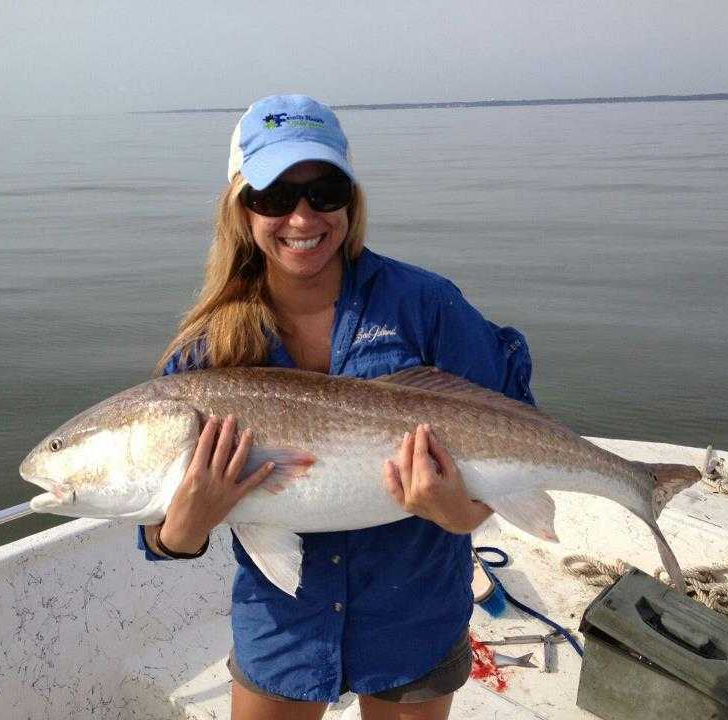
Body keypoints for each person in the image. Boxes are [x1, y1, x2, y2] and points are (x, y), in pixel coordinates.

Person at [137, 94, 534, 720]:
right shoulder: (205, 353)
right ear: (241, 209)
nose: (302, 216)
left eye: (324, 190)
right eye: (273, 196)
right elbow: (161, 537)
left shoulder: (426, 304)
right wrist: (182, 530)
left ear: (352, 199)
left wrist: (461, 514)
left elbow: (514, 426)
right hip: (283, 625)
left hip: (416, 615)